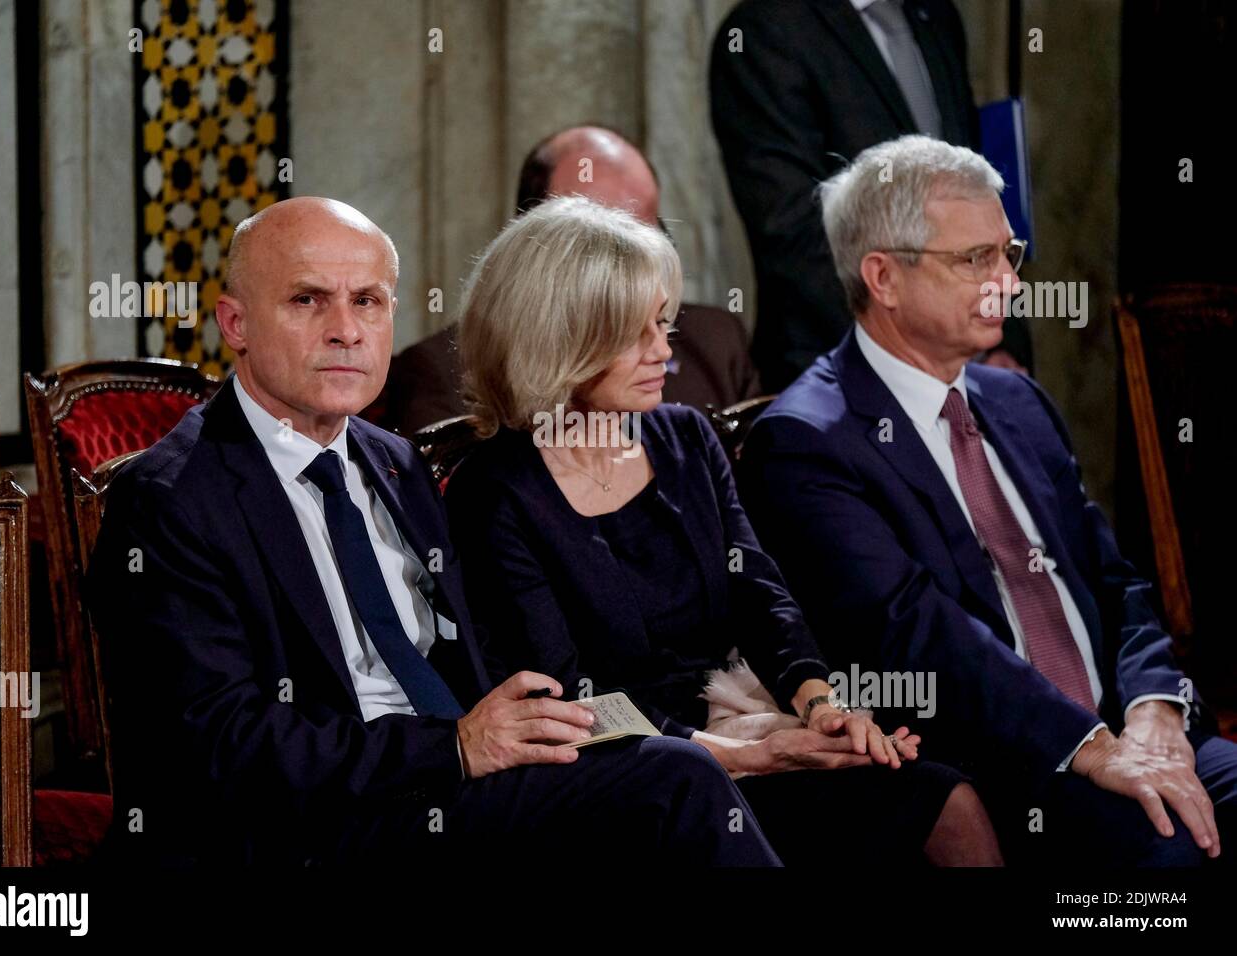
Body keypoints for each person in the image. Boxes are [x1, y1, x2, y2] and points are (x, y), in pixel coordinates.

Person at [87, 196, 780, 866]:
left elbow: (475, 657)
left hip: (446, 792)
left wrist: (569, 725)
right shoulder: (171, 498)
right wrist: (451, 749)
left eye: (368, 301)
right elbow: (220, 743)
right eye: (307, 300)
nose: (346, 329)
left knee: (721, 776)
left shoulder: (394, 463)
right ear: (234, 323)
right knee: (674, 783)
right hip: (305, 827)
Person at [444, 195, 1002, 865]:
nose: (665, 352)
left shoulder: (685, 438)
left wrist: (820, 706)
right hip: (631, 773)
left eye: (664, 324)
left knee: (946, 801)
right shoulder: (495, 491)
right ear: (560, 340)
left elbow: (760, 598)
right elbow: (568, 703)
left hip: (742, 724)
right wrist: (749, 755)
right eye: (637, 333)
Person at [737, 135, 1237, 865]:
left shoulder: (1015, 399)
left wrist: (1155, 711)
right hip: (1014, 762)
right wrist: (1091, 746)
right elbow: (920, 642)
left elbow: (1115, 583)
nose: (1008, 281)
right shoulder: (807, 440)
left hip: (1133, 734)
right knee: (1167, 865)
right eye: (975, 259)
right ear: (884, 276)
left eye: (1010, 254)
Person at [710, 0, 1029, 390]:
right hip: (843, 376)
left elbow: (976, 199)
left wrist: (998, 340)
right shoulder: (764, 31)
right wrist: (923, 350)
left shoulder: (935, 15)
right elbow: (791, 229)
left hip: (964, 369)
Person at [379, 125, 759, 434]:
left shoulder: (715, 340)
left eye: (643, 229)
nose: (632, 255)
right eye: (596, 239)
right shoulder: (441, 369)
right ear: (532, 240)